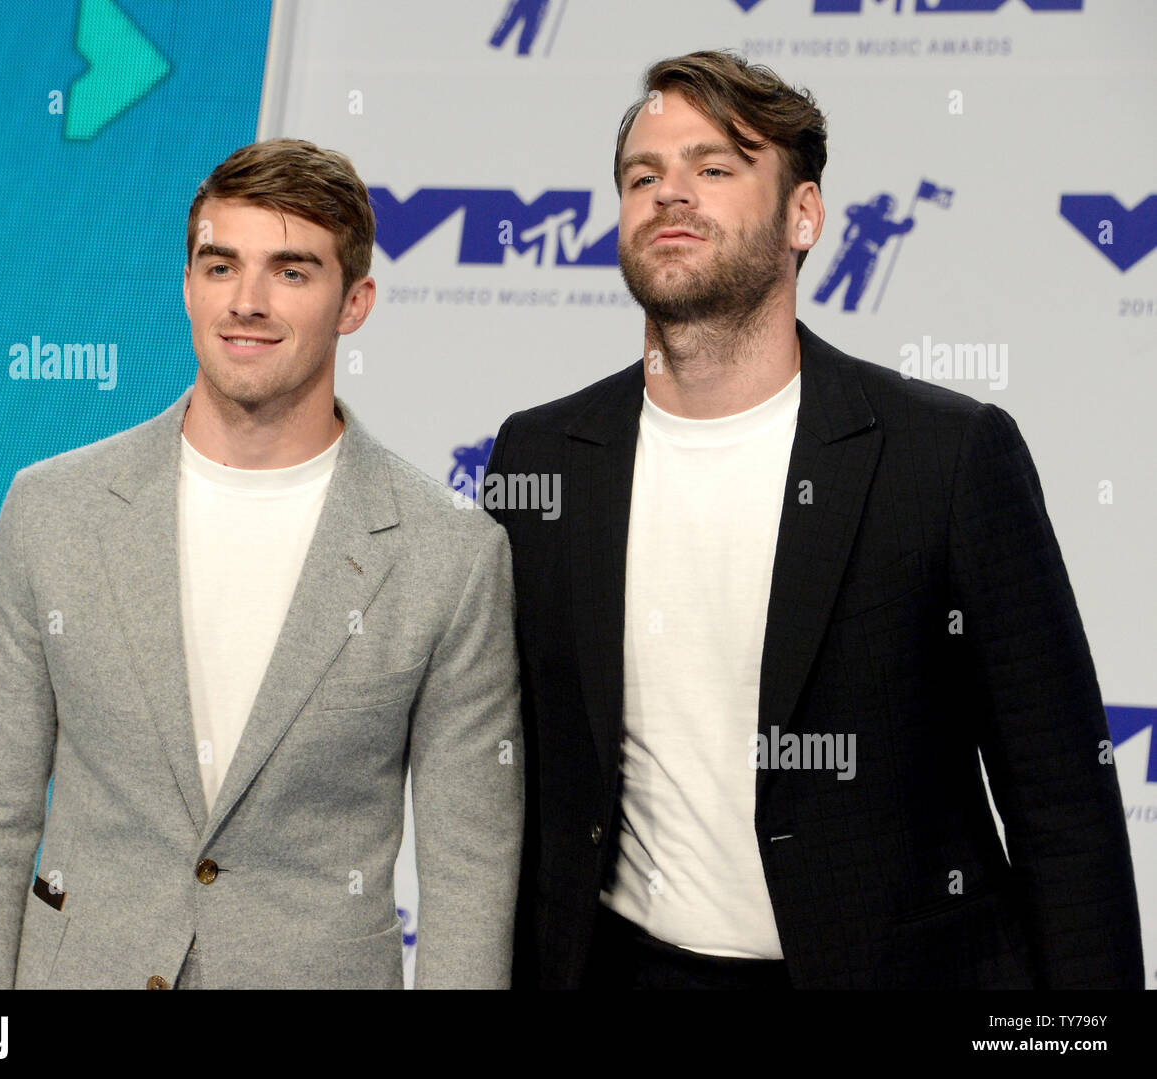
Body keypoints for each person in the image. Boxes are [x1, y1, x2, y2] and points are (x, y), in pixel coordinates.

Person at [485, 50, 1142, 989]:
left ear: (804, 216)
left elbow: (1063, 800)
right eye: (644, 176)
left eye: (714, 169)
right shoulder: (542, 457)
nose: (671, 195)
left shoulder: (946, 455)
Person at [0, 138, 523, 989]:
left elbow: (470, 866)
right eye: (220, 265)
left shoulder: (450, 553)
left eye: (291, 271)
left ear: (356, 303)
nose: (247, 301)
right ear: (188, 284)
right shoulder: (51, 510)